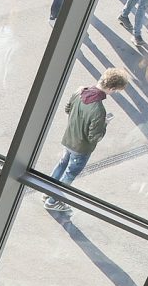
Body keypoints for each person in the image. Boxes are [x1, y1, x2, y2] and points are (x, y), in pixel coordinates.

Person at [43, 71, 132, 207]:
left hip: (68, 138)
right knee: (70, 174)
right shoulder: (99, 110)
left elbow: (68, 109)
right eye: (115, 91)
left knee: (62, 163)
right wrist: (105, 123)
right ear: (112, 88)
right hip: (81, 147)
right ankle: (52, 201)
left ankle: (46, 192)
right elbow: (95, 137)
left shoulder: (79, 91)